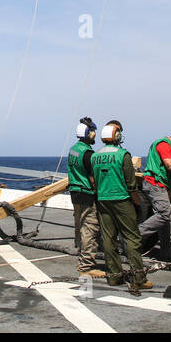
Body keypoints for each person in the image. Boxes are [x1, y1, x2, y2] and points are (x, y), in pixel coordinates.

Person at [92, 120, 151, 289]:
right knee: (132, 238)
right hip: (122, 200)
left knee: (108, 239)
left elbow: (94, 181)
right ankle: (138, 277)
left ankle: (114, 276)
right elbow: (131, 184)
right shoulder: (123, 155)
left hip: (103, 200)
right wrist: (138, 203)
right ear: (116, 136)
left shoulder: (95, 156)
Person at [139, 128, 171, 262]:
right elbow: (170, 166)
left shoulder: (168, 146)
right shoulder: (164, 145)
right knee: (163, 214)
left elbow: (163, 170)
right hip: (155, 184)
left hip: (158, 183)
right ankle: (135, 237)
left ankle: (166, 253)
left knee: (165, 219)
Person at [67, 117, 105, 278]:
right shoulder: (88, 153)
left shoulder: (74, 149)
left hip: (75, 193)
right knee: (90, 229)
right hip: (87, 194)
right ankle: (87, 267)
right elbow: (92, 177)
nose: (95, 134)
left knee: (80, 228)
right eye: (93, 131)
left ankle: (82, 260)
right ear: (87, 133)